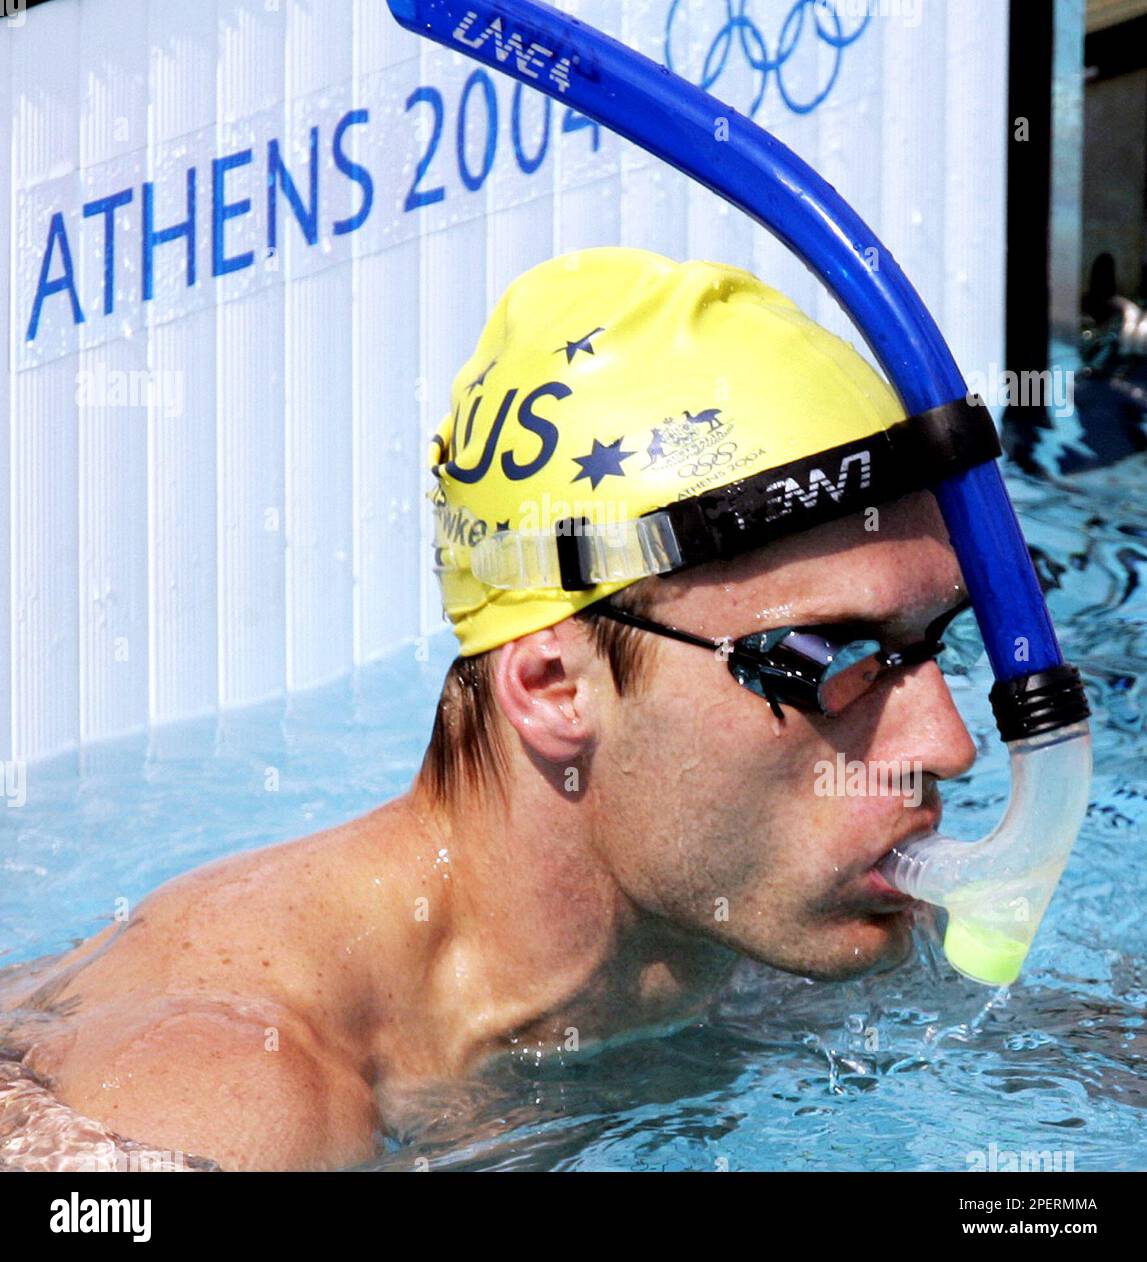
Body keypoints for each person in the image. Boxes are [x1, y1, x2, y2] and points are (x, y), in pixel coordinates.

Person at [0, 248, 978, 1171]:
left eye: (936, 641)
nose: (947, 743)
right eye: (825, 659)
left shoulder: (782, 932)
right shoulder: (221, 1096)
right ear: (553, 686)